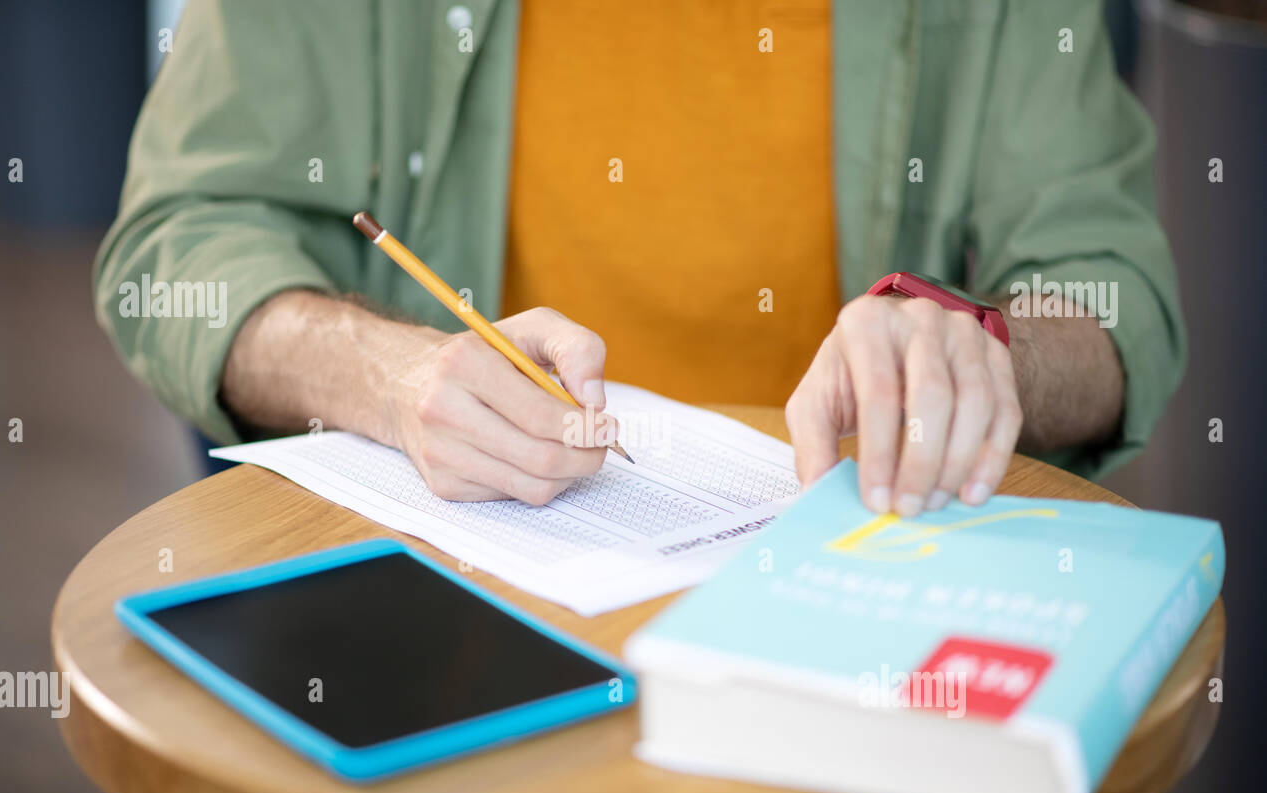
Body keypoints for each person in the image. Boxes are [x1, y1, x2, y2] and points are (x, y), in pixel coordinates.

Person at [94, 0, 1183, 519]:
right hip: (452, 572)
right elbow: (177, 239)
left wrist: (979, 350)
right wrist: (387, 375)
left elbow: (1112, 292)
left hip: (861, 574)